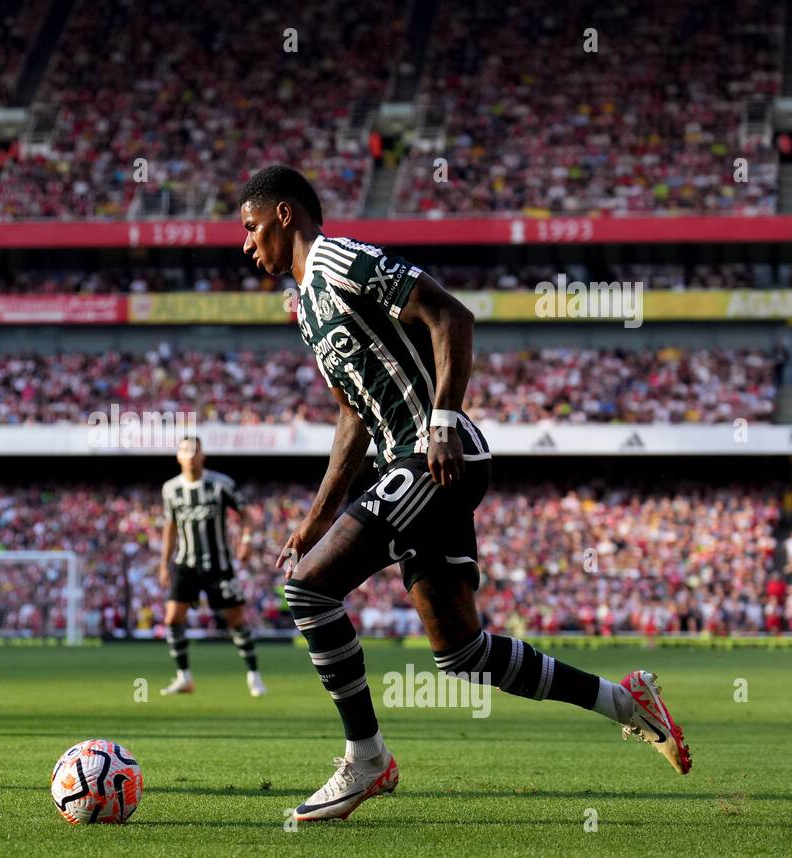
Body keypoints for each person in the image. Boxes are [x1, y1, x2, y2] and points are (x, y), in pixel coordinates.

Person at [238, 165, 691, 822]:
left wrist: (442, 421)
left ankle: (366, 759)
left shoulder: (338, 260)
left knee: (309, 590)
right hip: (407, 464)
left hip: (434, 457)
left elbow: (449, 313)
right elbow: (352, 417)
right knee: (462, 653)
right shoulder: (305, 308)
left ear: (285, 215)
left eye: (251, 228)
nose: (246, 245)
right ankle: (628, 703)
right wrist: (316, 518)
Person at [158, 436, 264, 697]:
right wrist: (164, 564)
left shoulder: (220, 484)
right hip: (186, 564)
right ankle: (184, 677)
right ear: (178, 457)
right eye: (184, 451)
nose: (190, 455)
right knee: (172, 618)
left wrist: (247, 539)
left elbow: (246, 514)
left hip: (219, 564)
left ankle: (254, 674)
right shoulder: (170, 489)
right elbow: (170, 527)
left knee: (235, 620)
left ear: (202, 456)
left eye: (195, 451)